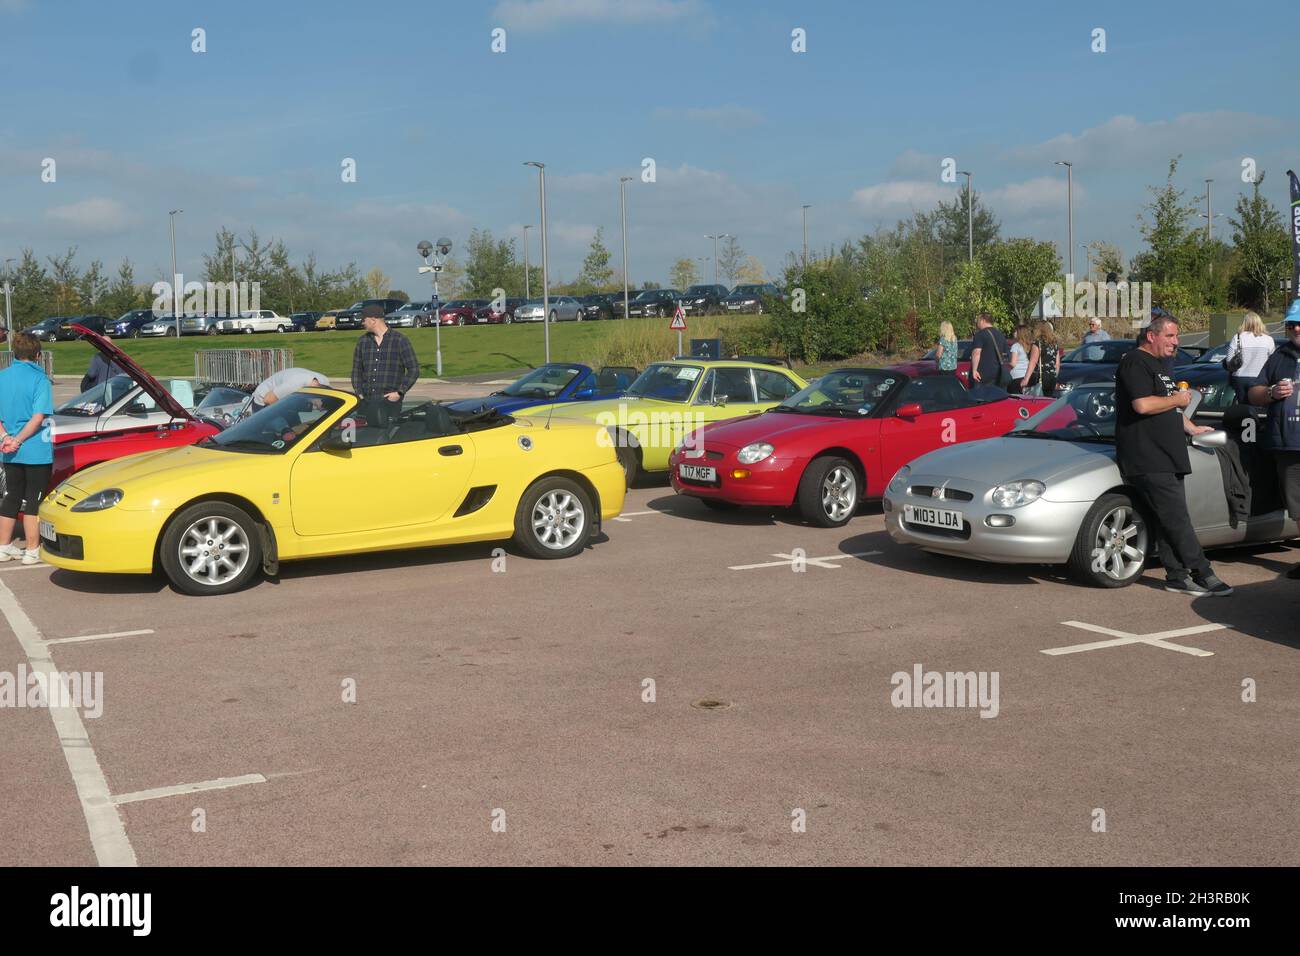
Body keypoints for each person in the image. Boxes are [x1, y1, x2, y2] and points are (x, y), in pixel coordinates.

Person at [1115, 314, 1231, 595]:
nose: (1176, 342)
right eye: (1170, 336)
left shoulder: (1161, 366)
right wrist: (1177, 399)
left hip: (1168, 454)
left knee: (1167, 518)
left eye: (1177, 336)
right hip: (1148, 456)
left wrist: (1191, 428)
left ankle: (1177, 576)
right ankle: (1203, 573)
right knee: (1178, 518)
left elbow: (1169, 409)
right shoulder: (1135, 362)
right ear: (1151, 336)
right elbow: (1142, 405)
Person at [1247, 301, 1300, 578]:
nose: (1296, 329)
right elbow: (1253, 392)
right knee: (1298, 506)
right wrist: (1271, 393)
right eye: (1292, 324)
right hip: (1288, 443)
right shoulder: (1280, 356)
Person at [0, 333, 54, 565]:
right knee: (34, 498)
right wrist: (19, 440)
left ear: (14, 353)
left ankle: (3, 546)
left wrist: (6, 438)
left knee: (11, 495)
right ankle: (32, 549)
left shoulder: (2, 377)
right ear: (38, 355)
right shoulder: (40, 379)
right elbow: (38, 417)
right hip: (34, 449)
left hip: (7, 448)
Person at [351, 303, 419, 427]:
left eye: (363, 319)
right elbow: (356, 371)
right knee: (365, 438)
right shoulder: (362, 342)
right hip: (366, 402)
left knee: (387, 437)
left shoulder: (399, 340)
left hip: (389, 402)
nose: (362, 323)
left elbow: (413, 369)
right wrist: (359, 393)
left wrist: (399, 392)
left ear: (373, 320)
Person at [1224, 311, 1275, 405]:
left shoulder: (1238, 337)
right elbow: (1272, 361)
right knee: (1260, 405)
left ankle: (1244, 419)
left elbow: (1228, 360)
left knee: (1244, 407)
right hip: (1260, 378)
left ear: (1245, 323)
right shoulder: (1268, 339)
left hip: (1240, 377)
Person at [252, 367, 332, 409]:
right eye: (321, 407)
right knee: (284, 430)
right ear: (317, 397)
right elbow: (268, 399)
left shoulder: (324, 381)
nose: (320, 410)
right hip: (263, 399)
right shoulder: (295, 384)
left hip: (285, 397)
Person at [968, 312, 1007, 387]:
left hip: (982, 373)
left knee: (979, 397)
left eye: (978, 320)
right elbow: (1005, 353)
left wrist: (974, 370)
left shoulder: (980, 335)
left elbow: (976, 352)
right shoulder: (1000, 334)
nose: (977, 323)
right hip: (998, 373)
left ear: (983, 320)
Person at [1007, 325, 1039, 395]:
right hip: (1027, 375)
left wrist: (1005, 364)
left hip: (1016, 376)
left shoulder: (1015, 346)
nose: (1013, 333)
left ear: (1020, 333)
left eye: (1016, 331)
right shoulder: (1030, 346)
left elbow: (1013, 363)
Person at [1032, 320, 1061, 397]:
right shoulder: (1055, 344)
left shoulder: (1038, 343)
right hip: (1052, 376)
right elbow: (1057, 363)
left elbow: (1033, 361)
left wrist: (1026, 379)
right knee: (1049, 399)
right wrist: (1055, 375)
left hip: (1042, 376)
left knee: (1040, 401)